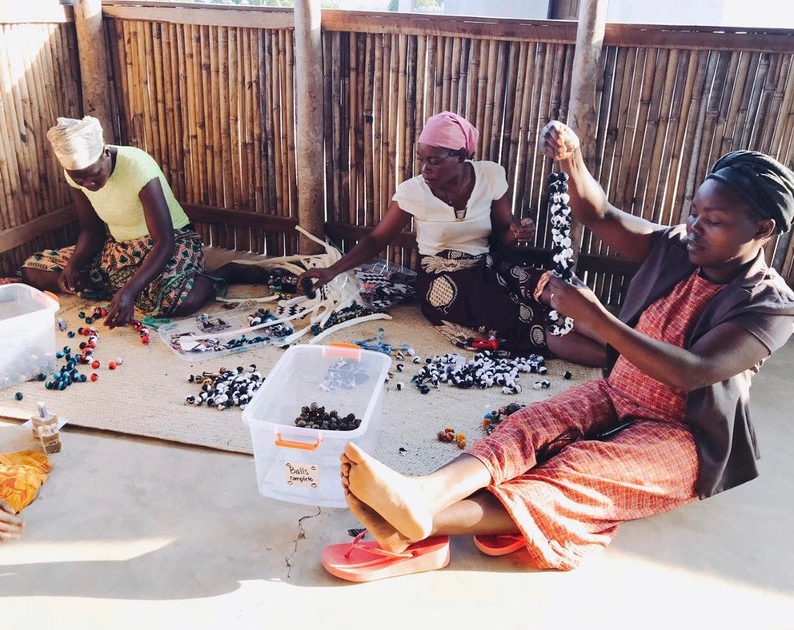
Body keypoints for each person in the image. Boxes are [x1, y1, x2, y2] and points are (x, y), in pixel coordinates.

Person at [319, 120, 794, 581]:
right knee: (528, 426)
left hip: (682, 435)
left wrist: (595, 316)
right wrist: (573, 162)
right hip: (619, 391)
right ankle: (422, 492)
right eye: (694, 212)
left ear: (763, 228)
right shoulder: (675, 246)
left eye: (713, 221)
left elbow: (692, 372)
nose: (694, 226)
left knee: (579, 469)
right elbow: (599, 215)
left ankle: (423, 521)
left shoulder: (770, 307)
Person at [298, 111, 607, 366]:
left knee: (558, 289)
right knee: (523, 320)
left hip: (489, 266)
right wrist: (331, 271)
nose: (425, 168)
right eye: (422, 158)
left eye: (435, 160)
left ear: (460, 156)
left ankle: (625, 346)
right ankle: (619, 365)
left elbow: (503, 236)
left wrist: (515, 231)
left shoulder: (489, 176)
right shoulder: (413, 192)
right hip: (444, 281)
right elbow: (375, 241)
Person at [20, 116, 264, 329]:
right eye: (79, 179)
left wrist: (130, 291)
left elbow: (165, 242)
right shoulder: (75, 173)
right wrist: (73, 265)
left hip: (172, 241)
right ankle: (115, 285)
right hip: (120, 248)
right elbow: (92, 231)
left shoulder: (137, 166)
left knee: (178, 300)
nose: (88, 185)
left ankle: (227, 273)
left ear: (105, 152)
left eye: (94, 175)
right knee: (34, 271)